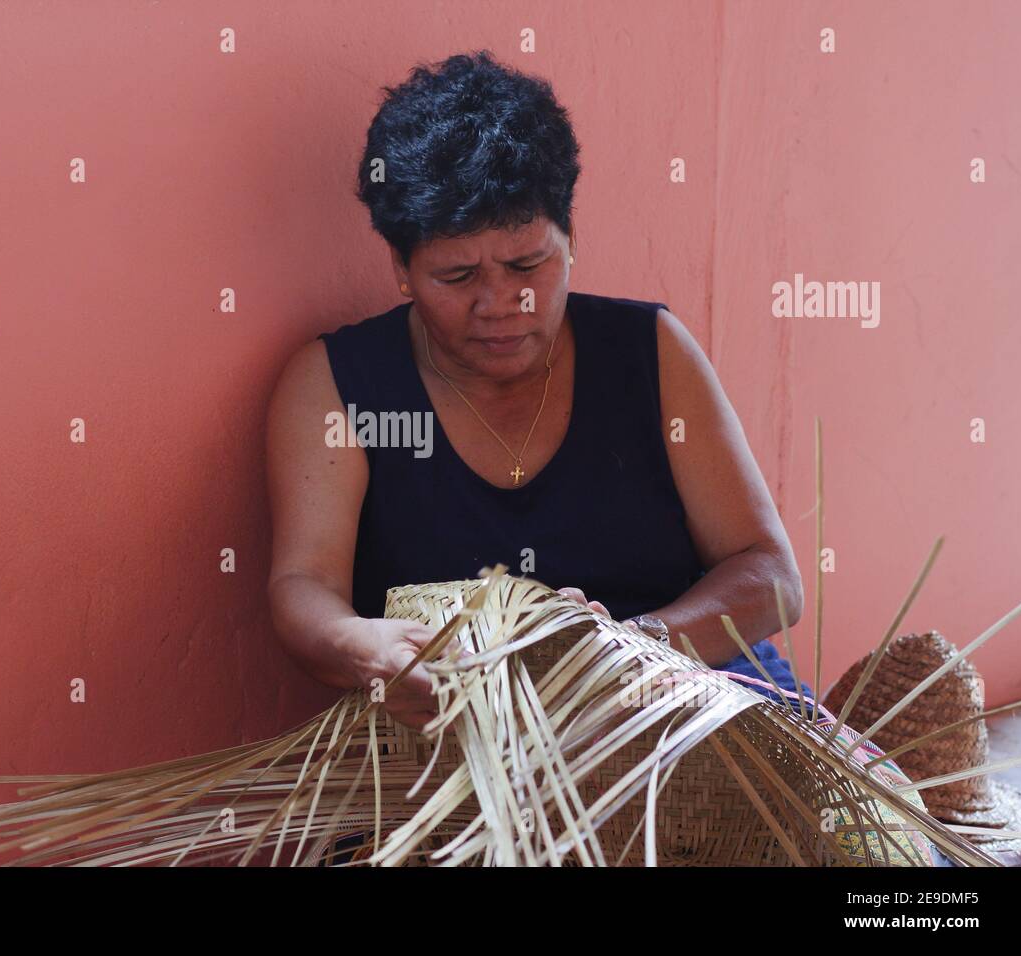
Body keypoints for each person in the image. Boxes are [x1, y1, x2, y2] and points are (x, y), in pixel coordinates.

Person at [266, 50, 813, 739]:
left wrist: (629, 649)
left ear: (572, 238)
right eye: (456, 276)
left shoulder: (649, 352)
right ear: (400, 269)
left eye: (528, 263)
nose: (499, 304)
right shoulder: (338, 385)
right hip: (464, 743)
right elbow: (303, 585)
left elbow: (771, 576)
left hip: (689, 709)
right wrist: (360, 647)